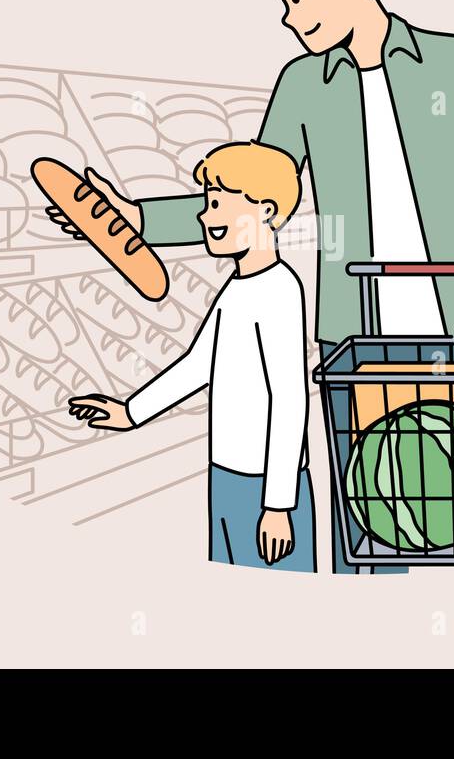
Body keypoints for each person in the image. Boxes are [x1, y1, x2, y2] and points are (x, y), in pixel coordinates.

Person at [51, 0, 454, 572]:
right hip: (355, 332)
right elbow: (252, 192)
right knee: (371, 516)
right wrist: (139, 220)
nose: (289, 17)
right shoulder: (303, 86)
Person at [68, 142, 316, 571]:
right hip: (227, 474)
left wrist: (278, 506)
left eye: (218, 203)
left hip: (267, 487)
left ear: (266, 211)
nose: (205, 216)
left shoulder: (280, 291)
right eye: (206, 204)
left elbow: (290, 399)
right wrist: (131, 412)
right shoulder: (238, 289)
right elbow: (198, 364)